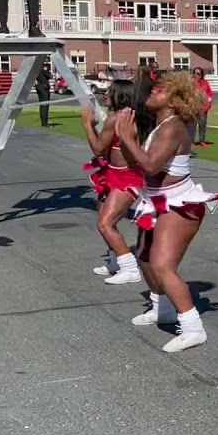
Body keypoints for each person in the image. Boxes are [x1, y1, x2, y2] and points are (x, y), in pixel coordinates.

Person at [118, 71, 218, 353]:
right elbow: (138, 165)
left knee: (163, 265)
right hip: (156, 200)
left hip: (178, 203)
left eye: (161, 90)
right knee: (143, 256)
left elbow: (151, 166)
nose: (153, 92)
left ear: (176, 100)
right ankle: (163, 307)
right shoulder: (161, 124)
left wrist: (127, 138)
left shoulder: (172, 126)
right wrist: (126, 141)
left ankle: (193, 328)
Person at [83, 78, 153, 285]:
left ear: (119, 95)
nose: (105, 94)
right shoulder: (130, 116)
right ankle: (115, 260)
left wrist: (87, 125)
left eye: (110, 91)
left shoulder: (116, 119)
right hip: (111, 173)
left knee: (105, 224)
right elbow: (105, 150)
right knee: (107, 221)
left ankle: (130, 268)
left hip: (126, 177)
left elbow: (97, 149)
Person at [189, 67, 213, 148]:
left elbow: (209, 94)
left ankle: (202, 141)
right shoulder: (190, 83)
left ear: (201, 75)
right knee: (192, 125)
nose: (196, 75)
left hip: (203, 108)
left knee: (202, 125)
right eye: (195, 73)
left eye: (198, 74)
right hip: (193, 107)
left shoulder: (205, 83)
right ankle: (191, 141)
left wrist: (207, 106)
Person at [36, 62, 53, 126]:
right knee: (45, 105)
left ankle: (43, 121)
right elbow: (49, 76)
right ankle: (44, 122)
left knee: (41, 105)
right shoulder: (44, 67)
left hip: (39, 86)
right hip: (44, 87)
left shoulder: (36, 67)